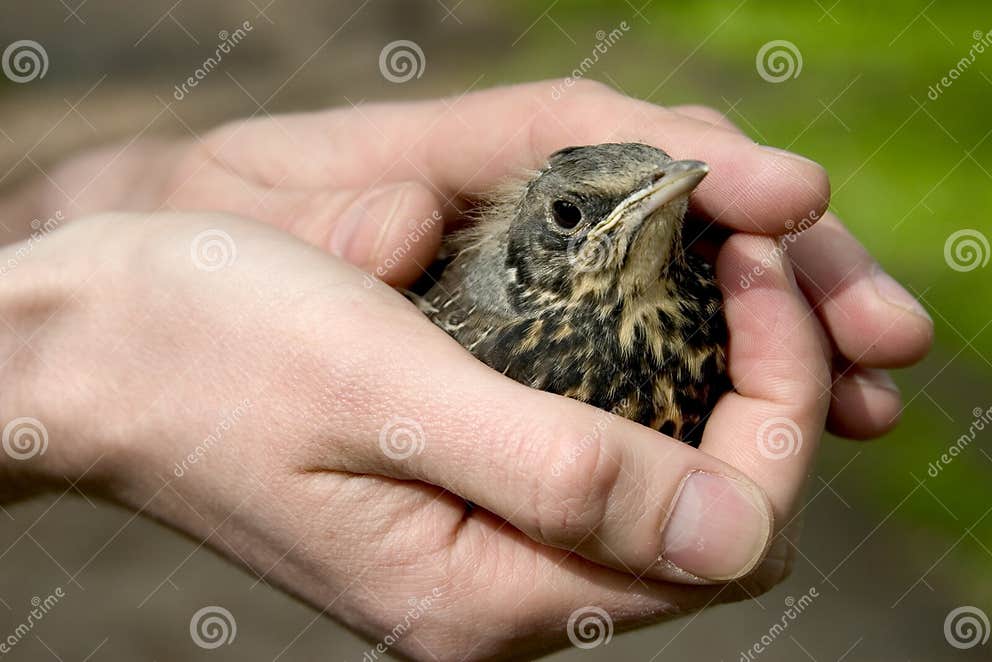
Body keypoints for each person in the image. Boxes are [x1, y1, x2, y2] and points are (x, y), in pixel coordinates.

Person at [0, 81, 932, 659]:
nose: (662, 203)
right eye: (575, 216)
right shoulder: (473, 334)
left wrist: (107, 211)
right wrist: (67, 348)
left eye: (658, 191)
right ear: (532, 243)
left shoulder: (705, 292)